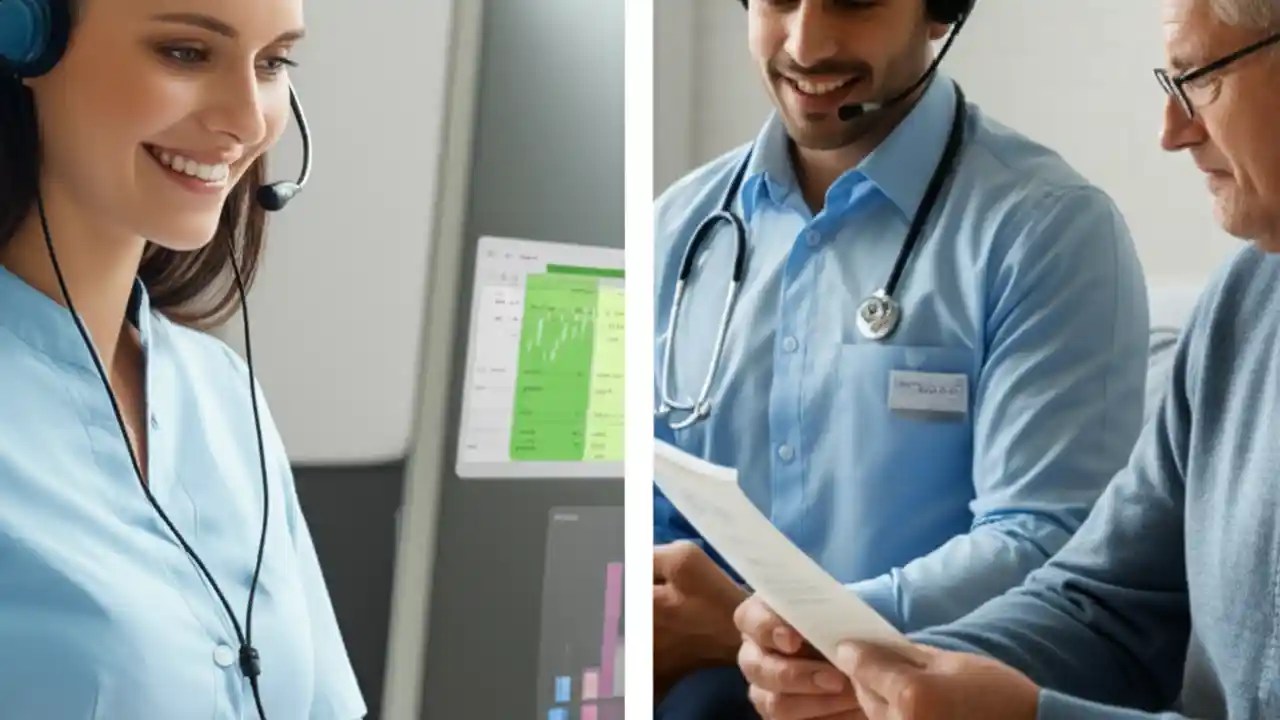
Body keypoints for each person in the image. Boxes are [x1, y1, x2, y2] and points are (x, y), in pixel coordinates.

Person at [733, 0, 1280, 718]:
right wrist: (886, 667)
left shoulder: (1046, 225)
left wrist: (1031, 717)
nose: (1172, 131)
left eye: (1200, 78)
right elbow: (1106, 606)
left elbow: (1040, 542)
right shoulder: (1244, 304)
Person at [652, 0, 1151, 715]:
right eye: (778, 0)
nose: (806, 42)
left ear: (941, 11)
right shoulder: (675, 230)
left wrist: (774, 627)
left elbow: (1045, 544)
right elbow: (645, 506)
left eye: (853, 1)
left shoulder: (1047, 230)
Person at [0, 0, 365, 718]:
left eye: (271, 64)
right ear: (22, 39)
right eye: (187, 53)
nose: (248, 118)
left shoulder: (224, 393)